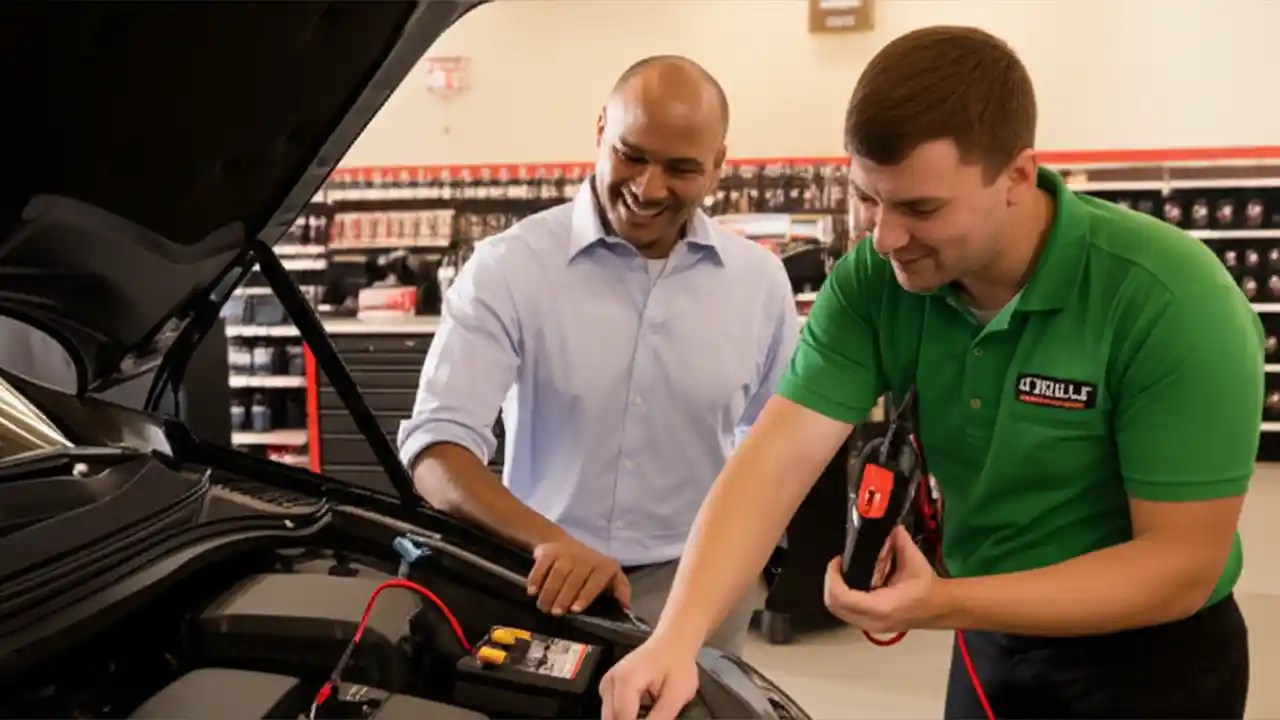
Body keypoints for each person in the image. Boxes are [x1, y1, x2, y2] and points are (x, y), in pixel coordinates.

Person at [600, 25, 1258, 720]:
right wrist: (676, 638)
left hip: (1154, 659)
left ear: (1017, 177)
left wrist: (946, 601)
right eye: (867, 198)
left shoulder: (1170, 301)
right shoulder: (875, 281)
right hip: (991, 641)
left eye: (920, 208)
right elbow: (774, 460)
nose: (884, 237)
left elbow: (1179, 568)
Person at [397, 55, 798, 655]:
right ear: (600, 130)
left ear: (718, 165)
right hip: (541, 582)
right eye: (631, 154)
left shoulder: (760, 282)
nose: (647, 187)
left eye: (681, 168)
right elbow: (436, 448)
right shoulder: (510, 268)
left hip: (703, 592)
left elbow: (775, 444)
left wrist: (752, 564)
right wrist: (545, 541)